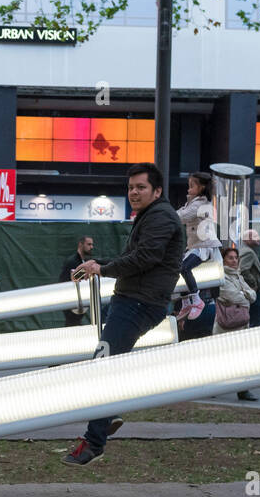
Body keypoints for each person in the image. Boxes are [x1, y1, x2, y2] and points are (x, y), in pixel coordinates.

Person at [63, 162, 185, 466]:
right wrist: (97, 265)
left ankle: (94, 443)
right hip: (135, 300)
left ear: (157, 190)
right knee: (106, 364)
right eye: (131, 187)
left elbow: (146, 257)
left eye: (141, 187)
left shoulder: (160, 217)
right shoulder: (152, 215)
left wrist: (102, 268)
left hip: (139, 302)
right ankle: (108, 415)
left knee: (102, 366)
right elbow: (134, 257)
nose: (133, 192)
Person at [175, 172, 219, 320]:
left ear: (201, 188)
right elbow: (181, 214)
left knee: (184, 267)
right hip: (194, 245)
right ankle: (186, 301)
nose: (188, 189)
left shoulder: (201, 204)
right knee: (179, 268)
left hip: (203, 245)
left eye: (191, 186)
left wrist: (164, 216)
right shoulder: (193, 203)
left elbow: (181, 216)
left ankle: (196, 300)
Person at [59, 236, 95, 326]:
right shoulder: (72, 262)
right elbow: (65, 281)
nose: (91, 247)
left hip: (79, 303)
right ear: (81, 244)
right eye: (89, 244)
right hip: (72, 303)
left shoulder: (83, 262)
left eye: (92, 244)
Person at [237, 229, 260, 327]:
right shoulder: (248, 252)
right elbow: (243, 270)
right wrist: (255, 285)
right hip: (253, 292)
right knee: (254, 321)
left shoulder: (246, 250)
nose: (258, 239)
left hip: (251, 291)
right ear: (248, 238)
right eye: (255, 236)